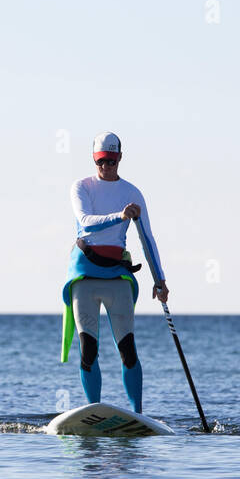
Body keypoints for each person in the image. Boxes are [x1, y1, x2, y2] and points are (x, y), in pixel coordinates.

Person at [60, 131, 169, 413]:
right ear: (94, 159)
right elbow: (85, 223)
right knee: (88, 351)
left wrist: (160, 280)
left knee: (128, 351)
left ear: (120, 157)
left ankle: (137, 415)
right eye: (100, 161)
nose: (106, 167)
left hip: (117, 278)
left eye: (111, 160)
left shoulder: (132, 193)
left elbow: (147, 238)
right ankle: (93, 412)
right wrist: (120, 215)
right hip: (84, 277)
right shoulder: (81, 187)